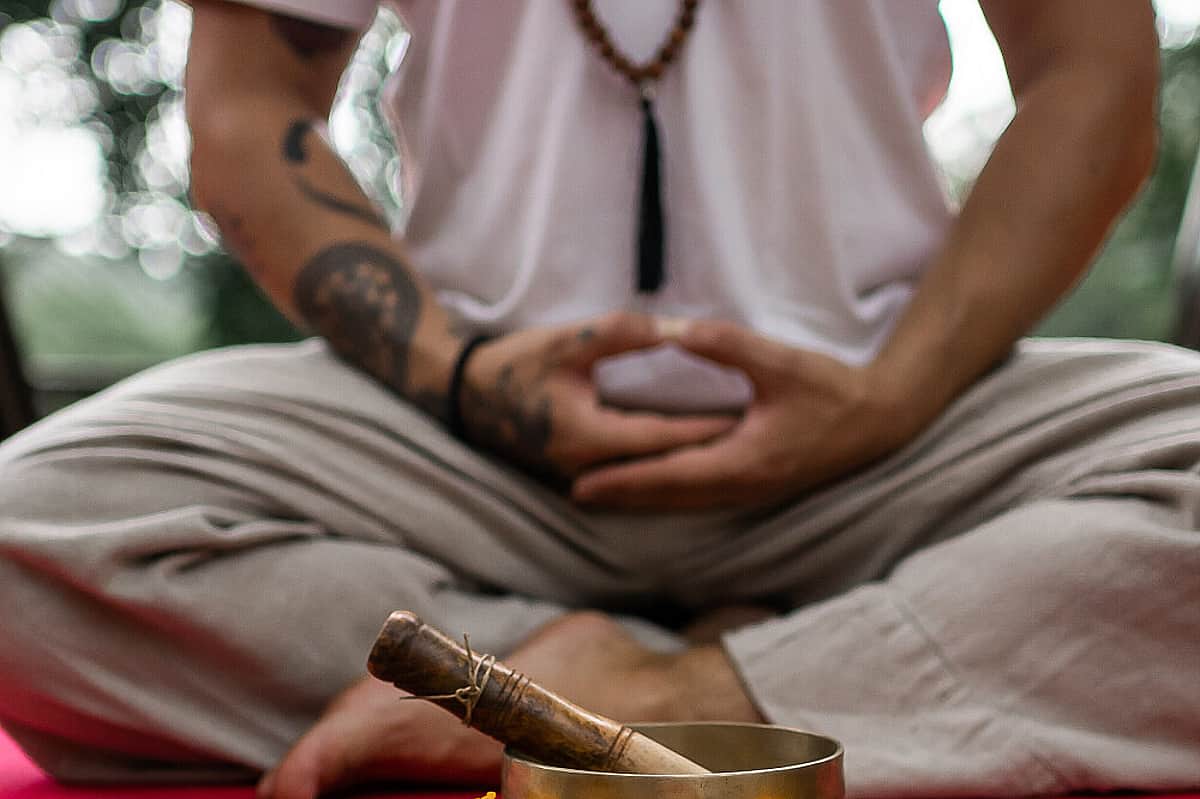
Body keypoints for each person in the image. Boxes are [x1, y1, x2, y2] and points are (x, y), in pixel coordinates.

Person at [0, 1, 1197, 798]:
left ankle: (636, 691)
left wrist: (891, 396)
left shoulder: (893, 408)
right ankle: (808, 671)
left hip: (892, 430)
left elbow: (1091, 67)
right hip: (460, 444)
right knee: (25, 529)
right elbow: (248, 96)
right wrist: (464, 380)